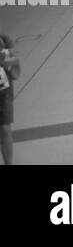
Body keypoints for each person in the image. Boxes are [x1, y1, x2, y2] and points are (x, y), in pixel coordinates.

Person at [0, 29, 17, 164]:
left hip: (4, 89)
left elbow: (14, 59)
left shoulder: (4, 39)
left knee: (5, 128)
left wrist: (6, 57)